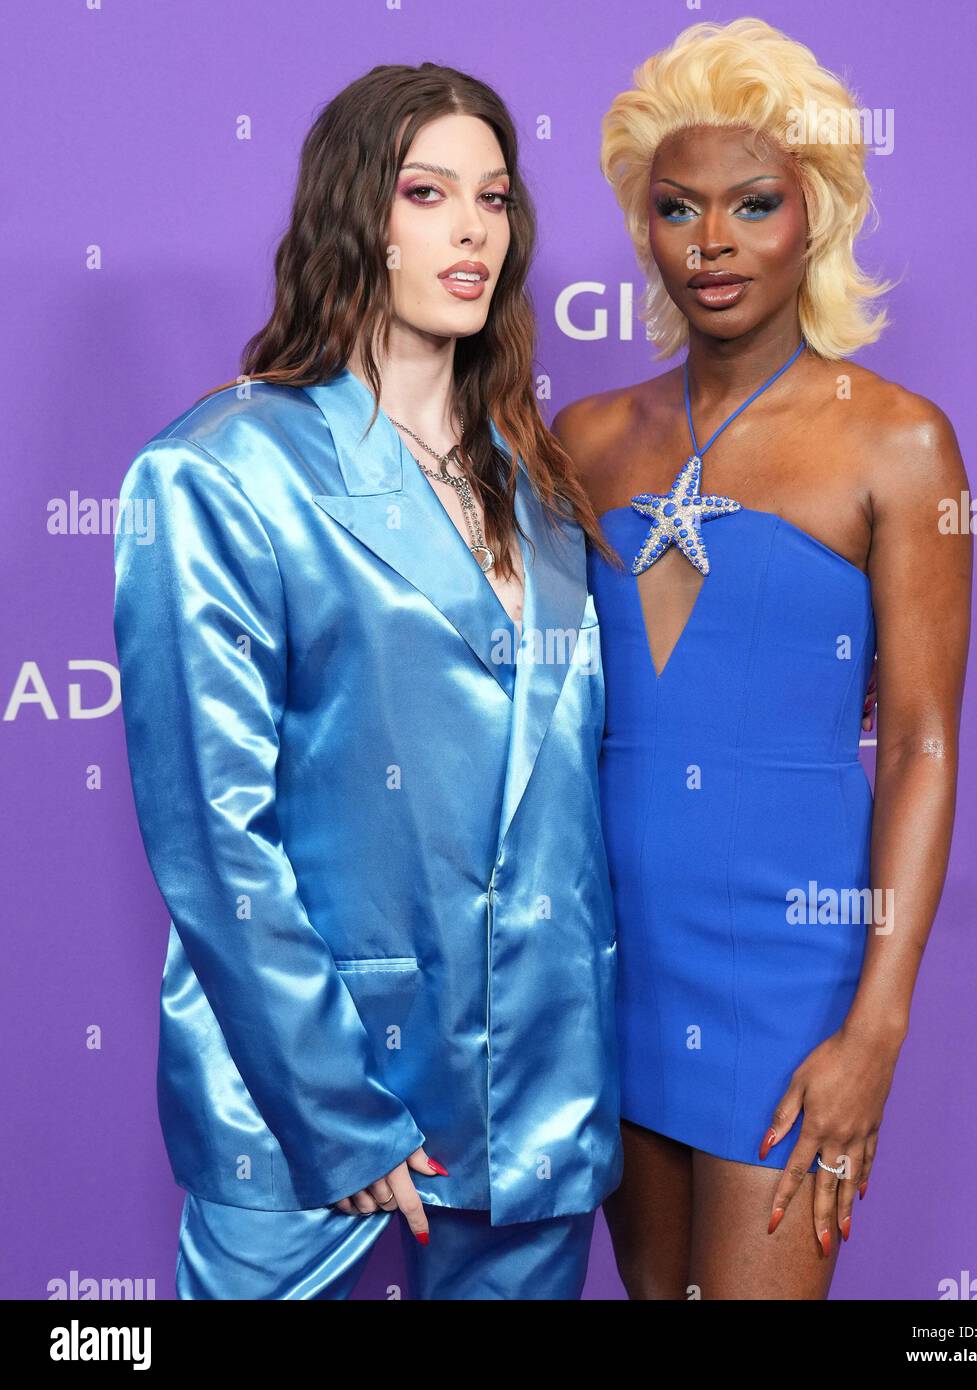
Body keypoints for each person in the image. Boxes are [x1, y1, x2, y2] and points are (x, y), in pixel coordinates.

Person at [113, 62, 620, 1300]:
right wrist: (336, 1108)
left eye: (493, 198)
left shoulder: (542, 488)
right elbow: (211, 834)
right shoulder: (221, 472)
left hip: (533, 1117)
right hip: (314, 1119)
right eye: (426, 191)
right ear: (357, 214)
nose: (469, 228)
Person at [552, 18, 971, 1299]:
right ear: (643, 228)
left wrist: (874, 1029)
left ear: (817, 214)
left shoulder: (898, 445)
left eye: (751, 203)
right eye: (677, 208)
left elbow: (918, 747)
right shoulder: (581, 437)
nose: (711, 240)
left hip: (791, 974)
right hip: (607, 964)